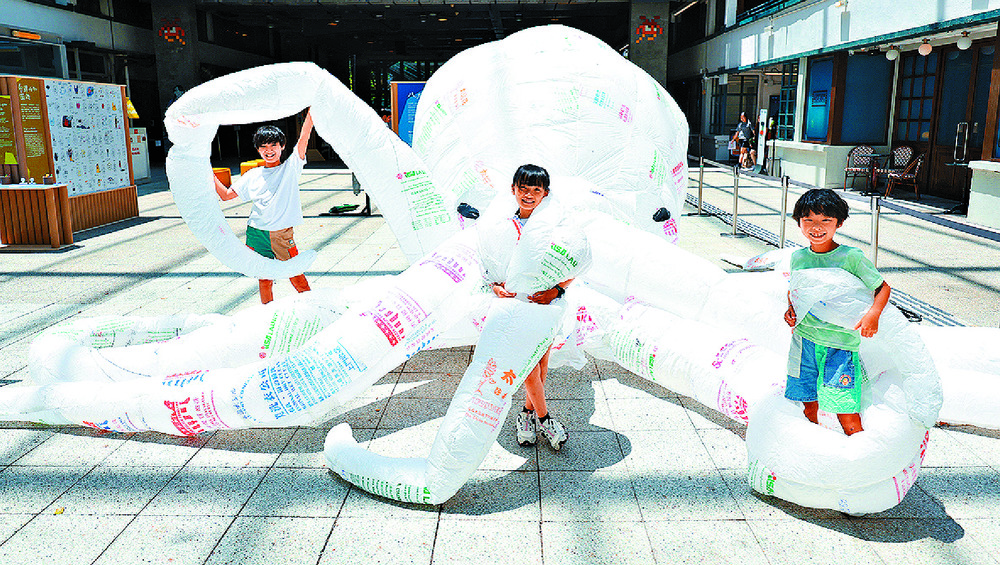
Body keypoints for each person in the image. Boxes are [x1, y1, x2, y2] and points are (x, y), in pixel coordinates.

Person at [783, 189, 891, 436]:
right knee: (808, 402)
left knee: (845, 408)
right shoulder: (798, 258)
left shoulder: (850, 257)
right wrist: (790, 310)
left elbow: (881, 287)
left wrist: (873, 314)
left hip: (840, 345)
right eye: (808, 220)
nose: (816, 227)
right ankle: (814, 447)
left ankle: (860, 458)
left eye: (825, 220)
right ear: (799, 221)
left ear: (839, 223)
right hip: (804, 342)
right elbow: (797, 291)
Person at [489, 164, 571, 450]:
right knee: (528, 366)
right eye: (523, 189)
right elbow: (489, 263)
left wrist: (556, 290)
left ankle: (525, 414)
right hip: (515, 306)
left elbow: (574, 261)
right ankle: (545, 418)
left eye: (536, 190)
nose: (529, 195)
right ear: (513, 189)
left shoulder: (555, 225)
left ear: (545, 194)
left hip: (547, 303)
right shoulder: (501, 226)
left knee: (541, 362)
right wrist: (494, 286)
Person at [214, 111, 314, 304]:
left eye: (273, 145)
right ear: (258, 150)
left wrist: (312, 113)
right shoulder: (253, 175)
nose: (269, 150)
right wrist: (207, 173)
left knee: (297, 277)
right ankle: (267, 315)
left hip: (281, 234)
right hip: (256, 232)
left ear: (282, 146)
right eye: (263, 146)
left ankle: (316, 309)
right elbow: (226, 196)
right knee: (265, 279)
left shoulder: (290, 167)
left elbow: (304, 137)